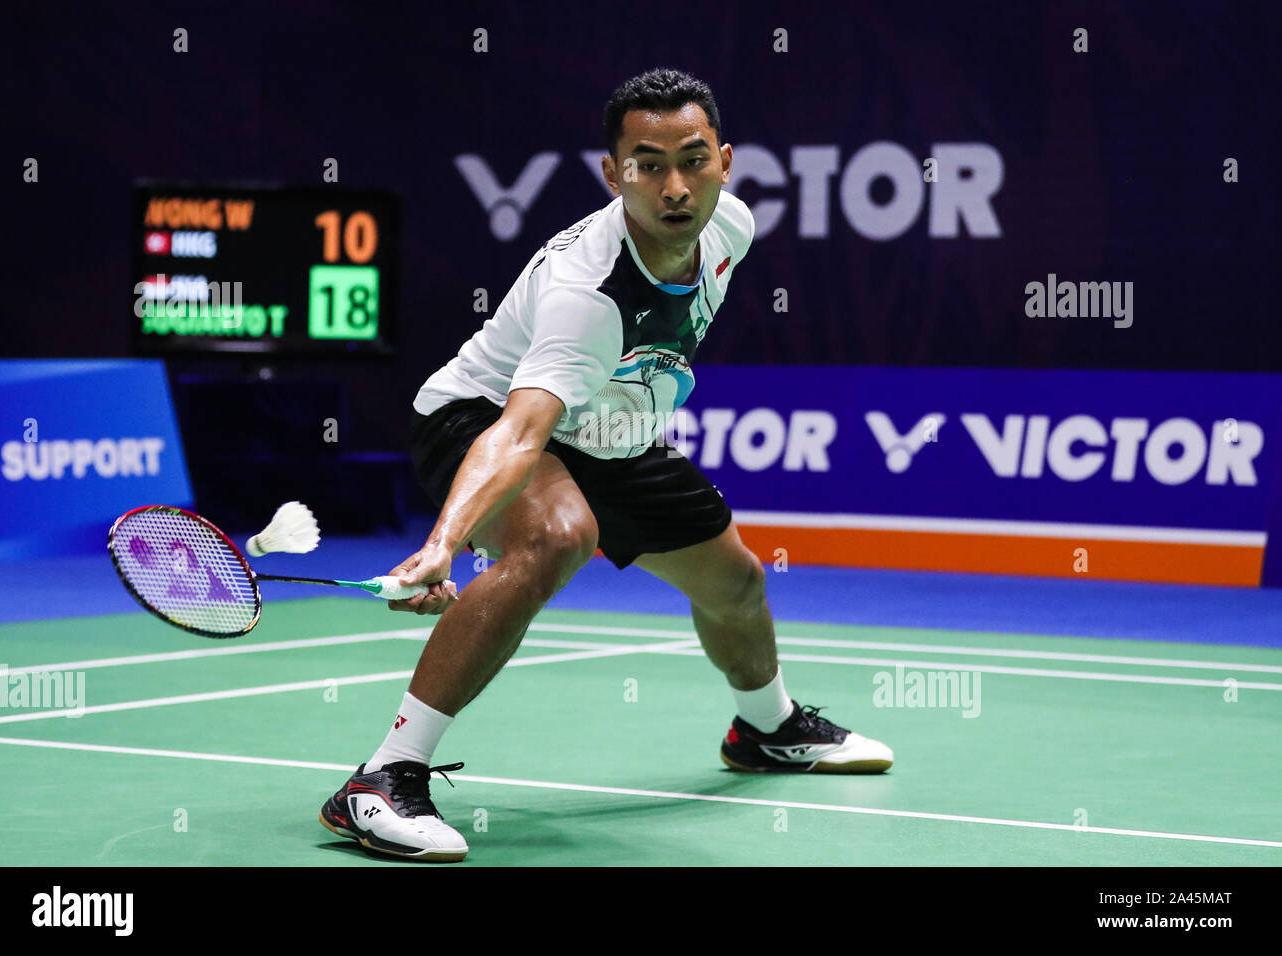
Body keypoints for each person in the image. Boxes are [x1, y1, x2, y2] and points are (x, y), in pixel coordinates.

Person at [319, 68, 893, 862]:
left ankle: (766, 728)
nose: (674, 185)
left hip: (610, 436)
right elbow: (519, 435)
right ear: (612, 174)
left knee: (737, 584)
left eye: (692, 159)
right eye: (647, 164)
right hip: (479, 419)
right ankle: (381, 778)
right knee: (557, 537)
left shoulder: (731, 229)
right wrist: (446, 542)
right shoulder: (586, 295)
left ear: (725, 162)